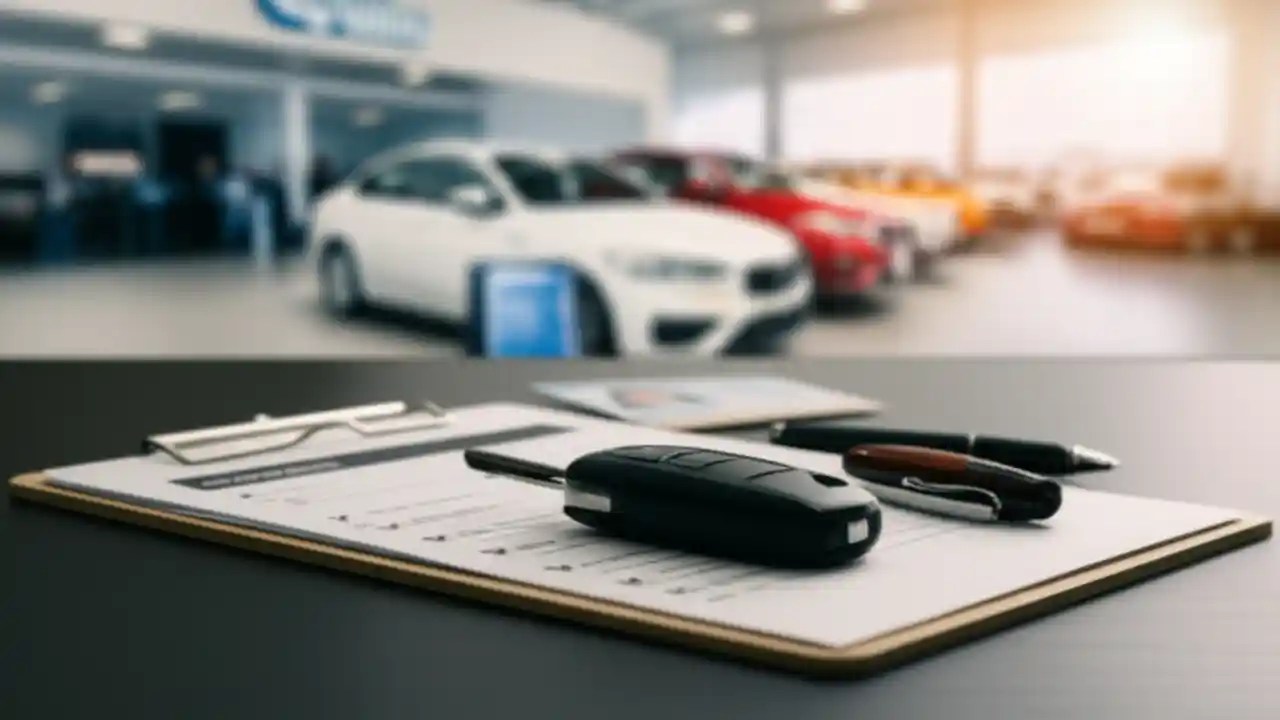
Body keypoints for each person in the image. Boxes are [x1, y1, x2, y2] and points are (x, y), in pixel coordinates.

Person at [38, 154, 79, 264]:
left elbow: (70, 194)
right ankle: (48, 262)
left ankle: (63, 262)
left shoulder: (69, 177)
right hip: (53, 210)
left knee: (63, 239)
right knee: (52, 240)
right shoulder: (55, 174)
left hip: (63, 211)